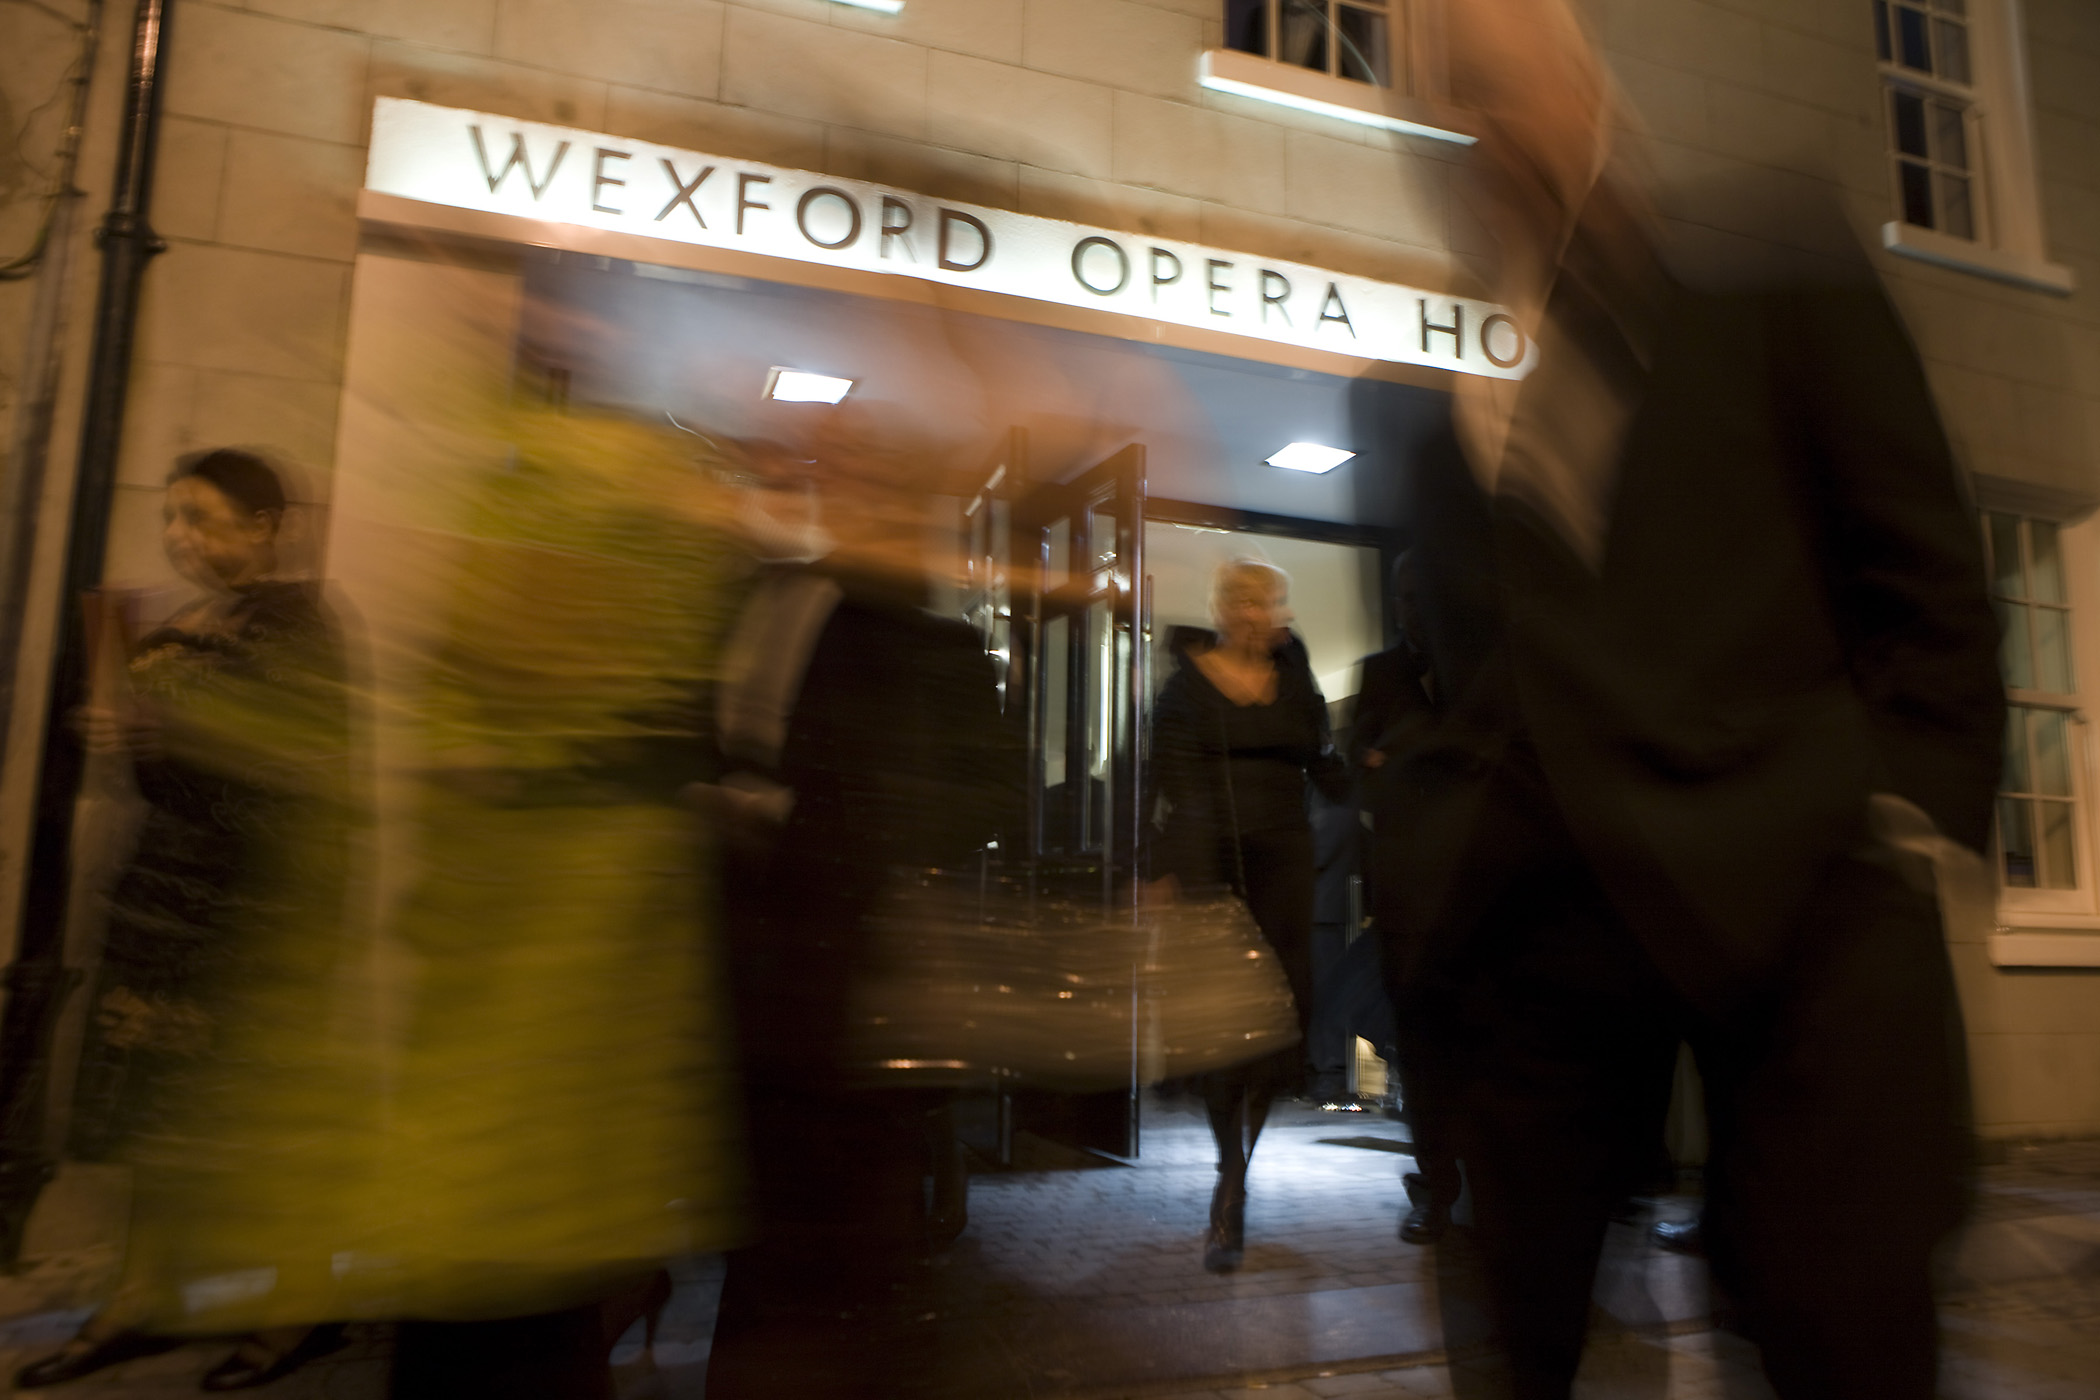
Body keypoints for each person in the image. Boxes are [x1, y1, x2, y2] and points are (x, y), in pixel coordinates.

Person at [1360, 3, 2004, 1396]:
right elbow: (1453, 687)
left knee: (1836, 1326)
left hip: (1806, 919)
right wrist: (1429, 875)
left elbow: (1928, 574)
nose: (1485, 128)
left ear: (1591, 99)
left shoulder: (1776, 280)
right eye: (1451, 104)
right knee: (1516, 1341)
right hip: (1549, 949)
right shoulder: (1442, 413)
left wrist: (1911, 821)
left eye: (1505, 88)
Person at [368, 407, 744, 1400]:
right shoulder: (548, 745)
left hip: (535, 1135)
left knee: (508, 1325)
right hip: (507, 1128)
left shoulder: (605, 767)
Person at [21, 450, 363, 1391]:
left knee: (261, 1131)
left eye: (204, 517)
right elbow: (167, 769)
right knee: (154, 1125)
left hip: (254, 918)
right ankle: (139, 1299)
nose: (181, 536)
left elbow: (298, 769)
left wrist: (169, 729)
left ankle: (302, 1307)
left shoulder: (303, 624)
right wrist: (116, 726)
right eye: (173, 517)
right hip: (160, 904)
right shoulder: (184, 621)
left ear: (267, 525)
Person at [700, 426, 1018, 1400]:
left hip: (863, 999)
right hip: (764, 996)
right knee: (774, 1263)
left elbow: (983, 796)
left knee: (854, 1265)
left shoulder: (939, 643)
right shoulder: (770, 599)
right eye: (839, 476)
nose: (848, 491)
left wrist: (802, 815)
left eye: (876, 476)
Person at [1148, 560, 1348, 1273]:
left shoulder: (1296, 683)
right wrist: (1165, 873)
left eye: (1269, 602)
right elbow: (1167, 786)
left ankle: (1239, 1167)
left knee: (1277, 1023)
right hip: (1213, 865)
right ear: (1224, 609)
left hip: (1286, 870)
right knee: (1226, 1026)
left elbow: (1327, 765)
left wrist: (1390, 779)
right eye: (1244, 601)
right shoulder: (1184, 689)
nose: (1258, 614)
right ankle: (1230, 1178)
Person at [1352, 554, 1462, 1247]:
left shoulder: (1478, 668)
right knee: (1420, 1045)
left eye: (1419, 596)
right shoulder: (1381, 674)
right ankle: (1436, 1188)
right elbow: (1363, 777)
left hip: (1470, 884)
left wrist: (1402, 757)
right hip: (1407, 889)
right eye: (1400, 596)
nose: (1407, 609)